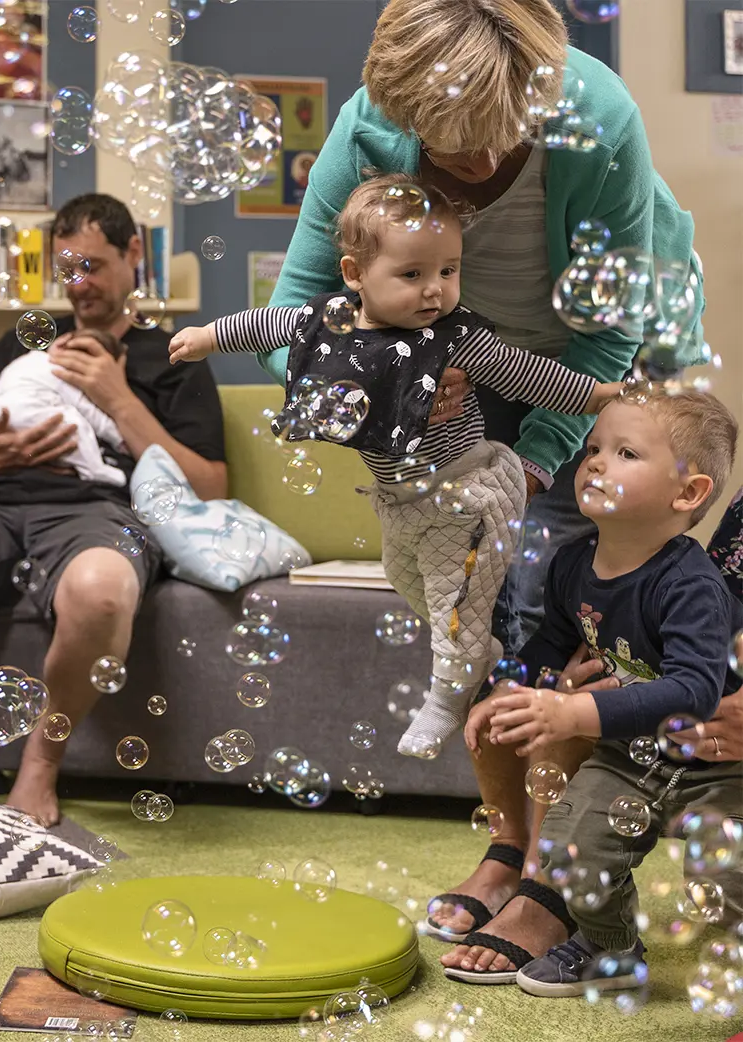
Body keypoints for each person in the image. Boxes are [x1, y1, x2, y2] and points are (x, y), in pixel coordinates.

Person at [267, 0, 702, 972]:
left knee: (578, 597)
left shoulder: (596, 115)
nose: (466, 170)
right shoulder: (368, 129)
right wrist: (380, 396)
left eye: (490, 146)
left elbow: (604, 341)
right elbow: (299, 316)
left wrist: (540, 469)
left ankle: (559, 879)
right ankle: (509, 847)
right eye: (441, 146)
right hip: (464, 361)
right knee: (476, 602)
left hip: (613, 354)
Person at [169, 173, 623, 757]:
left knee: (451, 604)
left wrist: (600, 396)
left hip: (467, 492)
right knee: (409, 582)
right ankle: (471, 651)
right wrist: (208, 335)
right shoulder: (332, 318)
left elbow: (532, 376)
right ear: (356, 275)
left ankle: (444, 697)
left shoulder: (454, 339)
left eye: (448, 271)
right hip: (402, 501)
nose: (435, 290)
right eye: (412, 275)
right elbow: (263, 323)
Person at [0, 192, 227, 826]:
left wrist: (116, 399)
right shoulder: (24, 345)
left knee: (103, 592)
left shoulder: (173, 356)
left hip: (101, 512)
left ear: (134, 252)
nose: (79, 285)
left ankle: (38, 767)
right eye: (68, 270)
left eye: (94, 266)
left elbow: (210, 488)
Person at [455, 390, 741, 990]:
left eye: (626, 452)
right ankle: (610, 949)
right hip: (629, 754)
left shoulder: (692, 583)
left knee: (726, 875)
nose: (595, 462)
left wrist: (574, 711)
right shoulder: (571, 564)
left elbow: (694, 689)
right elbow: (546, 649)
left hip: (720, 766)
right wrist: (506, 691)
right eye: (592, 449)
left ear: (687, 494)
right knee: (565, 844)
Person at [0, 327, 130, 486]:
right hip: (26, 410)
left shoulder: (25, 361)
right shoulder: (60, 371)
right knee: (74, 422)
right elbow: (89, 412)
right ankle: (94, 470)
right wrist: (119, 439)